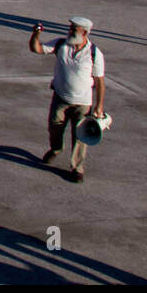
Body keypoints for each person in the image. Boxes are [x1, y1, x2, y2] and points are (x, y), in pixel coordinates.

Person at [28, 16, 106, 183]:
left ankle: (77, 168)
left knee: (80, 137)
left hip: (83, 104)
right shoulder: (61, 45)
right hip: (61, 98)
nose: (69, 31)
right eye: (70, 28)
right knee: (54, 127)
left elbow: (99, 81)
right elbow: (37, 49)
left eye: (74, 29)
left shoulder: (94, 54)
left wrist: (99, 106)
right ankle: (56, 149)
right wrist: (36, 34)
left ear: (84, 32)